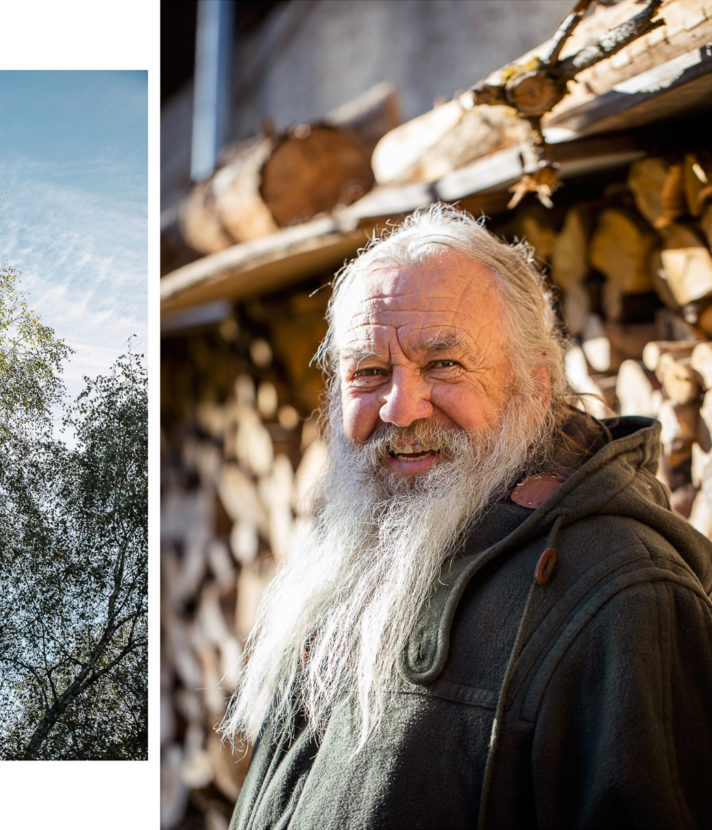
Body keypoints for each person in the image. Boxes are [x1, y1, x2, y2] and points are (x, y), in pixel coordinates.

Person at [222, 203, 712, 829]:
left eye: (443, 365)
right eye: (368, 373)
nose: (400, 408)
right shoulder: (366, 552)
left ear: (535, 387)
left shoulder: (625, 595)